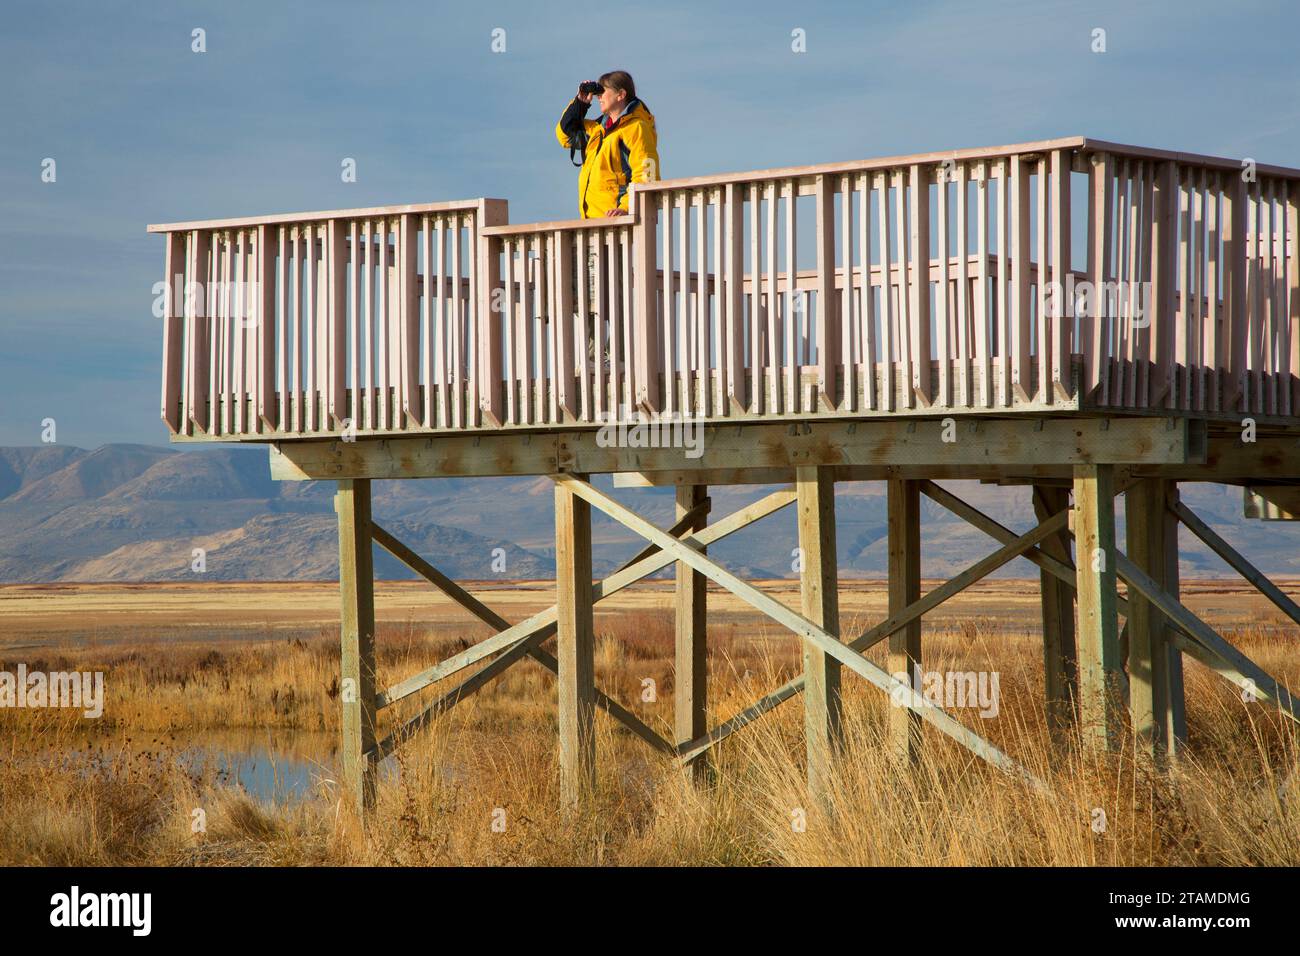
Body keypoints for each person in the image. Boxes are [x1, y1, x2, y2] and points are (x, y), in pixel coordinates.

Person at [555, 71, 660, 371]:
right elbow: (565, 133)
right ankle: (593, 356)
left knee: (615, 292)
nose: (600, 96)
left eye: (604, 92)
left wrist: (626, 207)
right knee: (589, 293)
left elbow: (646, 173)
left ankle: (620, 355)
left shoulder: (636, 128)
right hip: (591, 226)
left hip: (617, 226)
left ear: (621, 95)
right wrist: (580, 101)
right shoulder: (599, 129)